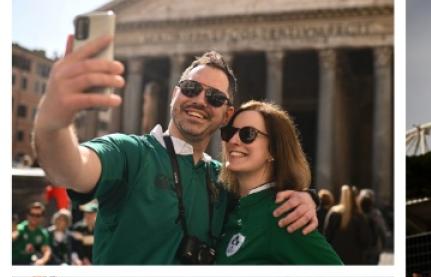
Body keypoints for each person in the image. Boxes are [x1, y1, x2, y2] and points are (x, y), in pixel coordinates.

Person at [33, 42, 317, 264]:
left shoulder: (224, 179)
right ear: (175, 94)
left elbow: (264, 203)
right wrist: (53, 122)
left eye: (215, 98)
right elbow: (69, 169)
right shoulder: (130, 153)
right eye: (191, 88)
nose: (199, 101)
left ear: (226, 114)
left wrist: (306, 197)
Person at [215, 101, 342, 265]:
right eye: (229, 132)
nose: (233, 140)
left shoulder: (282, 215)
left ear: (273, 150)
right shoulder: (232, 205)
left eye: (247, 134)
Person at [325, 185, 377, 265]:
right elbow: (366, 241)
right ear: (356, 198)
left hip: (336, 258)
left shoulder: (333, 213)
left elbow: (327, 237)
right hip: (355, 260)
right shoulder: (359, 216)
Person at [12, 201, 49, 265]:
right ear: (27, 215)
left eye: (38, 215)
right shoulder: (20, 228)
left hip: (29, 264)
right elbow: (14, 234)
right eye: (32, 214)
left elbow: (46, 250)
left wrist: (42, 260)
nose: (34, 217)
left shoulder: (42, 233)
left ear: (42, 217)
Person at [357, 188, 388, 264]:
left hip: (360, 250)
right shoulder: (376, 214)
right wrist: (383, 245)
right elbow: (383, 231)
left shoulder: (357, 215)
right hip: (374, 249)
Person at [69, 199, 98, 264]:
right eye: (86, 212)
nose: (88, 215)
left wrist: (83, 238)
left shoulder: (100, 227)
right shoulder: (77, 228)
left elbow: (100, 241)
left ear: (96, 214)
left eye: (91, 213)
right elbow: (75, 247)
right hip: (82, 262)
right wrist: (82, 259)